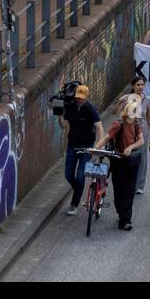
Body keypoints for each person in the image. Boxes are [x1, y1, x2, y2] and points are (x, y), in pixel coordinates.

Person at [95, 94, 144, 230]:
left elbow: (141, 140)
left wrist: (130, 147)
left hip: (132, 161)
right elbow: (106, 137)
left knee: (130, 190)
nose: (136, 116)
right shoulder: (118, 124)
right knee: (119, 191)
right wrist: (97, 148)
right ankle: (121, 213)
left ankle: (125, 220)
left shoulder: (135, 124)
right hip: (118, 161)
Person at [60, 83, 103, 216]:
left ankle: (74, 204)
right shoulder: (71, 107)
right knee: (68, 174)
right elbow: (63, 125)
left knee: (80, 176)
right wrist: (59, 114)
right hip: (72, 145)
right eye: (78, 97)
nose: (79, 100)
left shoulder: (91, 109)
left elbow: (99, 128)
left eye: (82, 98)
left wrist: (97, 147)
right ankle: (78, 189)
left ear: (86, 97)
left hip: (87, 146)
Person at [111, 77, 150, 194]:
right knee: (126, 155)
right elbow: (114, 112)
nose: (141, 87)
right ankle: (127, 181)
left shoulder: (148, 100)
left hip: (143, 132)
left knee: (142, 157)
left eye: (142, 85)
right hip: (128, 131)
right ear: (133, 86)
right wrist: (119, 101)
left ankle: (139, 185)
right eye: (138, 85)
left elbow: (149, 117)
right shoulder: (127, 98)